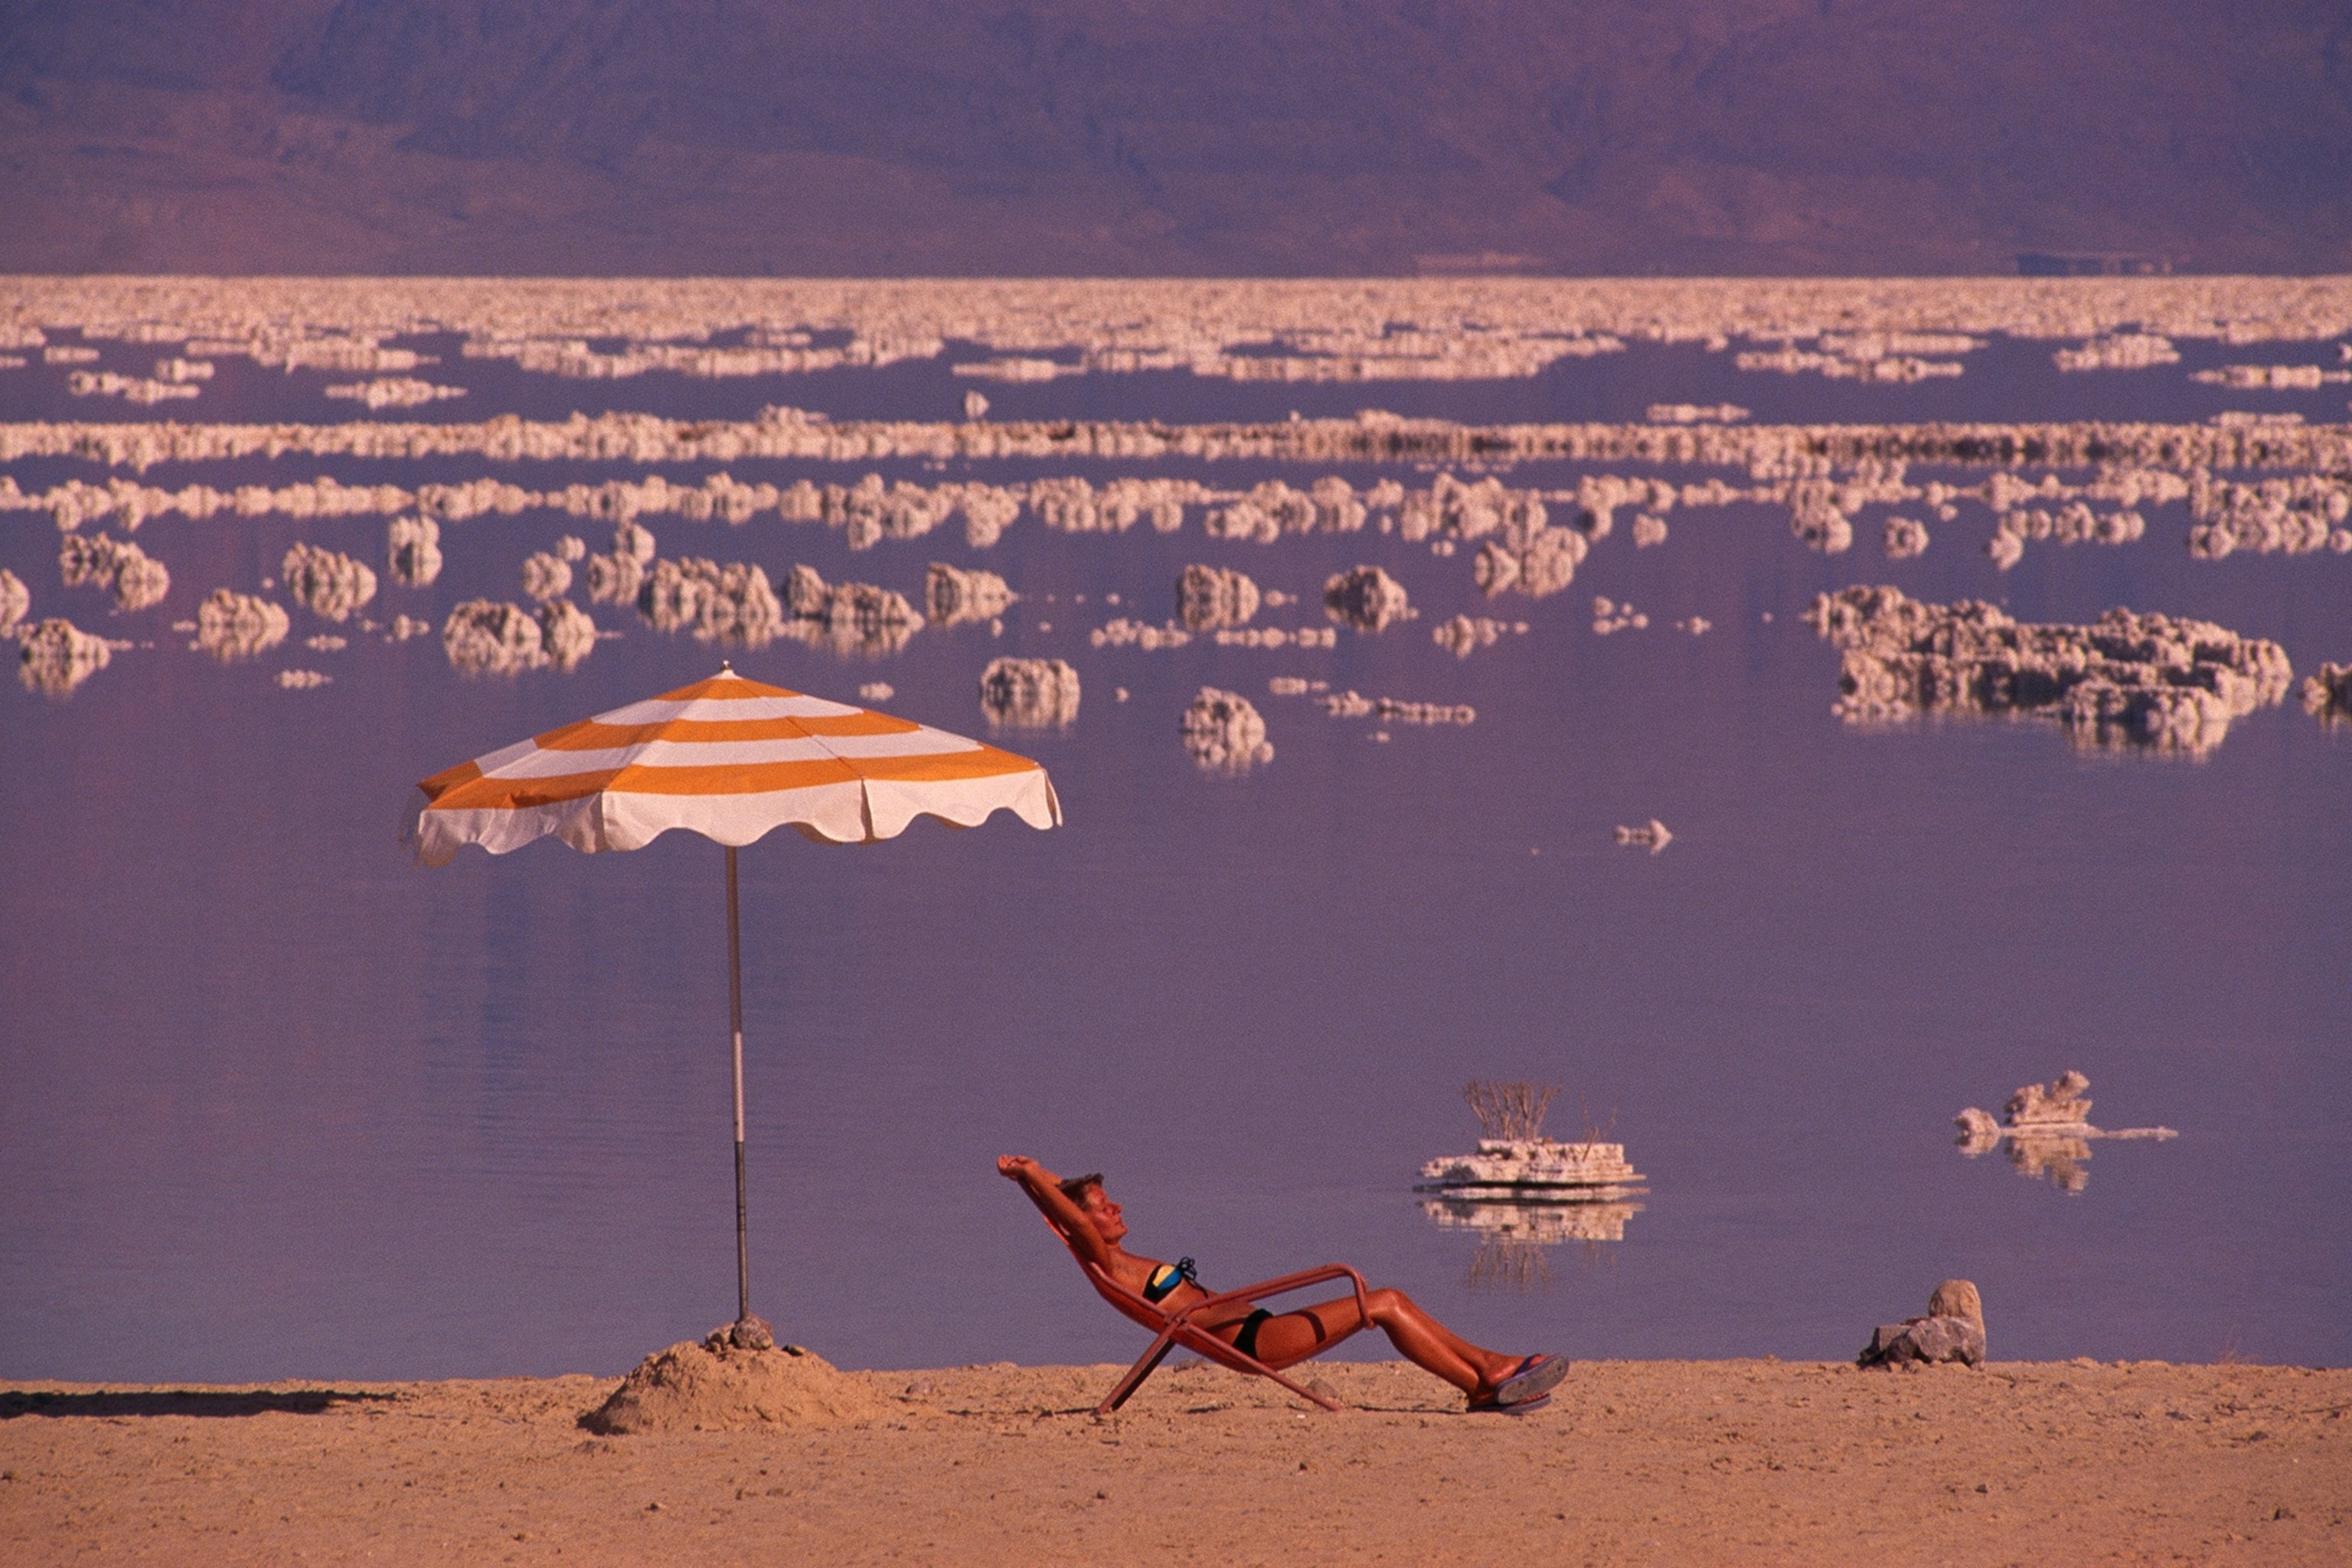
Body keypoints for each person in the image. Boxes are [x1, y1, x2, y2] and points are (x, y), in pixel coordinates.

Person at [997, 1155, 1567, 1413]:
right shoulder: (1108, 1263)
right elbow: (1068, 1221)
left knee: (1387, 1301)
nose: (1116, 1208)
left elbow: (1061, 1217)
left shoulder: (1103, 1258)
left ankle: (1481, 1381)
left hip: (1256, 1330)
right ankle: (1487, 1370)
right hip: (1251, 1344)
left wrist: (1031, 1170)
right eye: (1103, 1207)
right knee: (1385, 1302)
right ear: (1082, 1225)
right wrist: (1029, 1177)